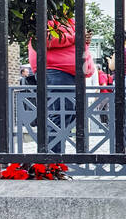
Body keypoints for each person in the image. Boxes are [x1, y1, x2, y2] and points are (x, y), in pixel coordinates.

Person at [28, 19, 94, 153]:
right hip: (55, 70)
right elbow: (45, 39)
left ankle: (54, 155)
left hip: (69, 73)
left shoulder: (69, 20)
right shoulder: (48, 15)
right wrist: (76, 37)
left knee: (70, 112)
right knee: (60, 113)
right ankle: (52, 159)